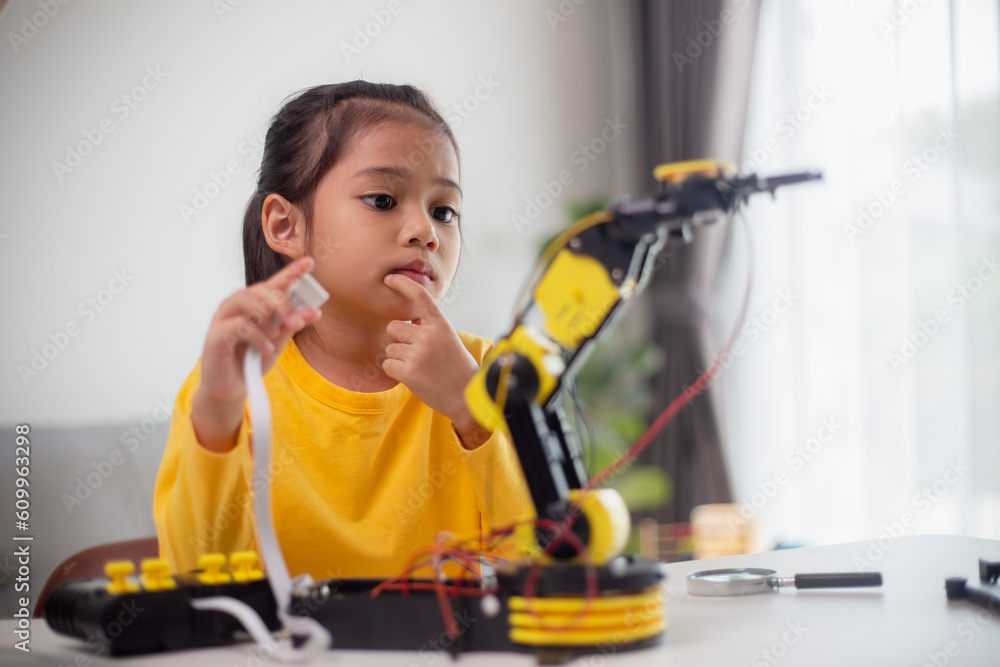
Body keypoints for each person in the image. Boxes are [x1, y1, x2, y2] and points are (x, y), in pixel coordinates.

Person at [153, 81, 533, 580]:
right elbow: (197, 581)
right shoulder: (231, 386)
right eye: (382, 200)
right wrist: (220, 410)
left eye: (444, 211)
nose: (425, 231)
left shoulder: (489, 373)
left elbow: (554, 568)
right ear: (285, 226)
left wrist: (471, 411)